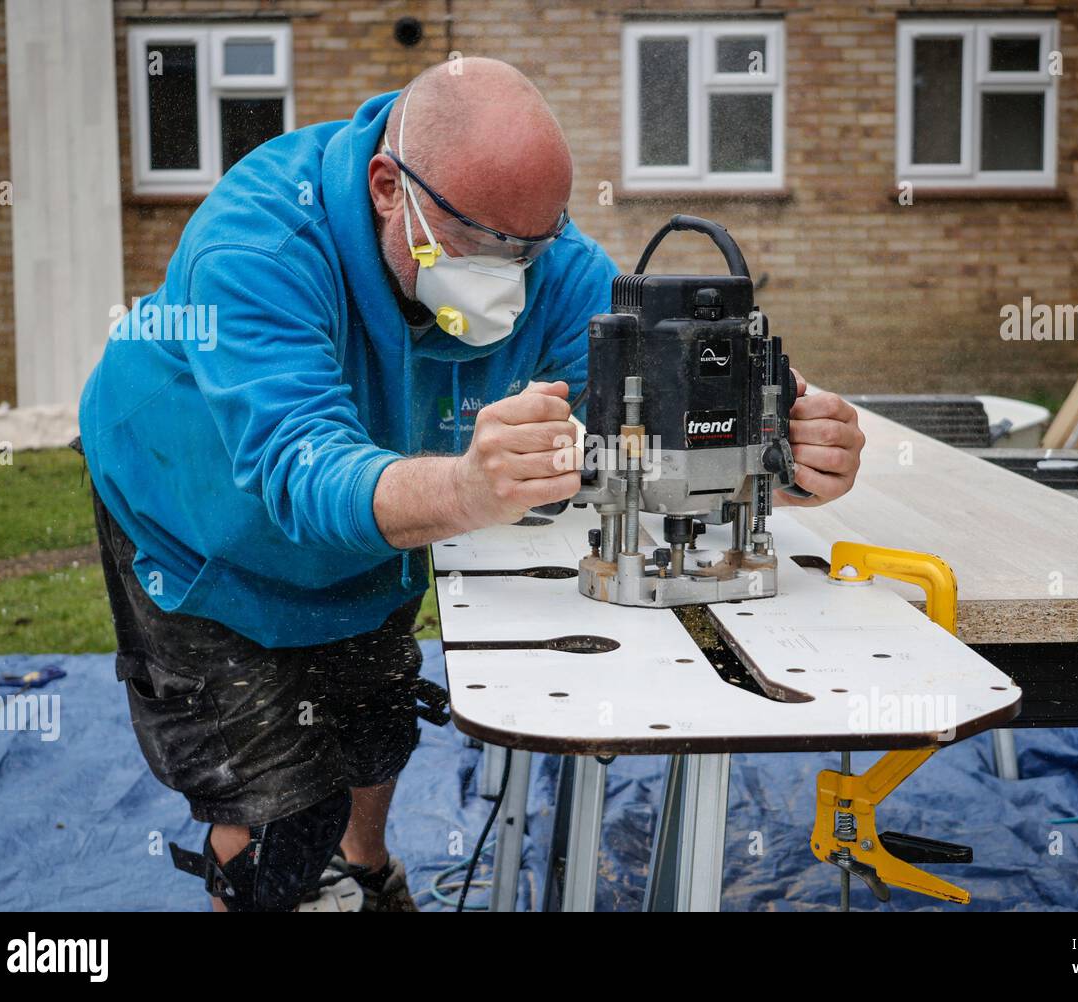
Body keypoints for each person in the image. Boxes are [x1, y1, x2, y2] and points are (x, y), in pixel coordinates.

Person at [78, 57, 864, 912]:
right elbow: (295, 469)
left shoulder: (542, 259)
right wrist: (463, 491)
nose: (516, 275)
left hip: (384, 493)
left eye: (536, 244)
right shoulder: (260, 242)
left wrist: (774, 447)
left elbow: (659, 390)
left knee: (375, 723)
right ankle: (270, 887)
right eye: (488, 247)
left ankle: (367, 872)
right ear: (388, 188)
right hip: (189, 510)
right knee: (279, 804)